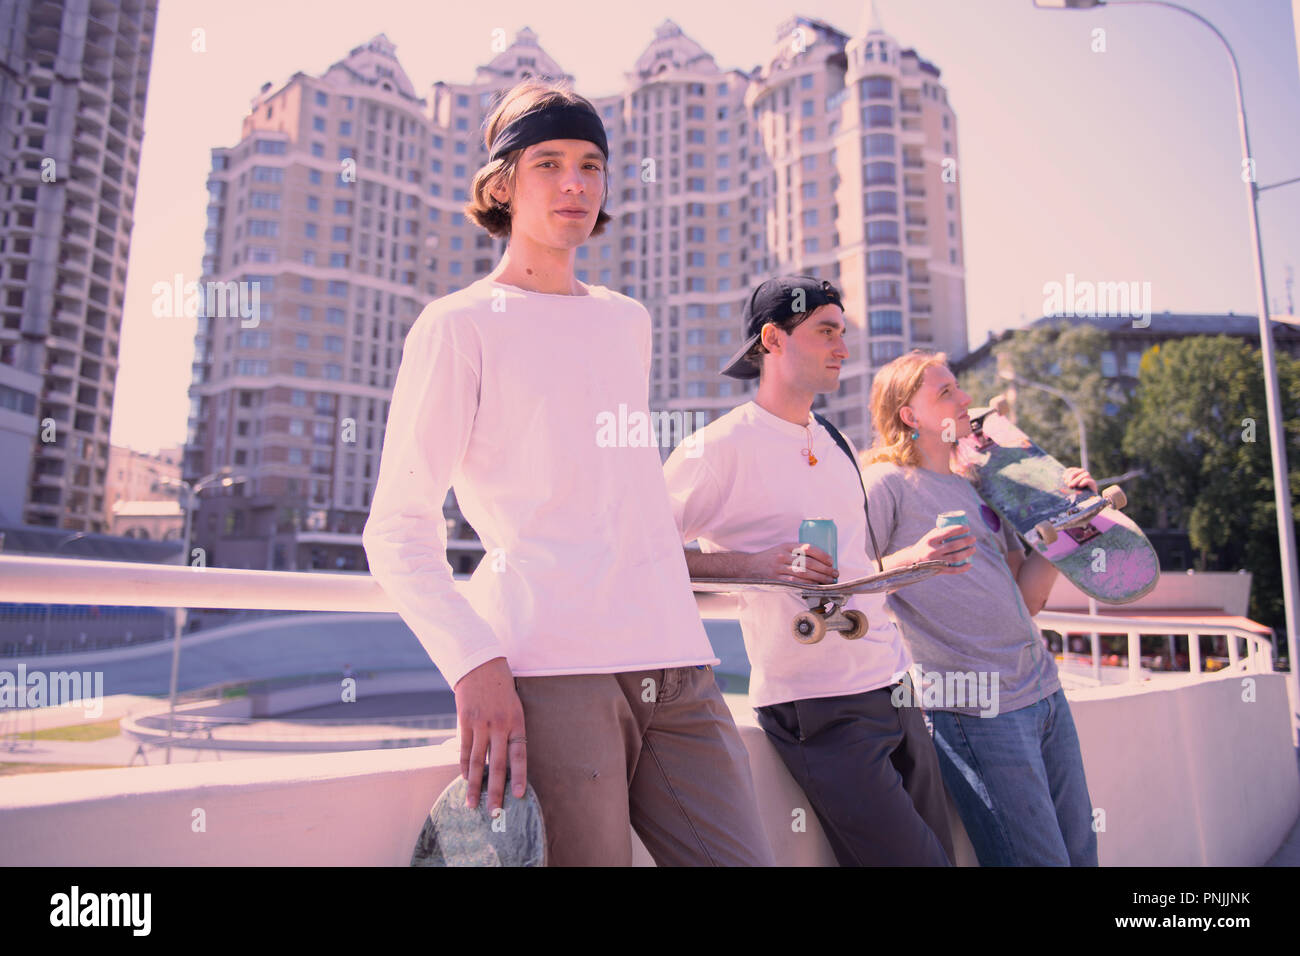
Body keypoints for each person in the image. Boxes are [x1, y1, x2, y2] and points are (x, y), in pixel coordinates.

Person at [362, 79, 773, 866]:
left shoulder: (627, 320)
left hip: (678, 663)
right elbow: (398, 529)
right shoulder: (458, 325)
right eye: (548, 163)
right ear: (503, 183)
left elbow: (620, 499)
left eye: (591, 164)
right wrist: (473, 662)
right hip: (554, 670)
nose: (576, 183)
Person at [662, 276, 954, 866]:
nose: (842, 347)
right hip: (817, 705)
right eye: (826, 331)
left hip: (894, 688)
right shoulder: (715, 449)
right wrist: (756, 566)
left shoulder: (838, 442)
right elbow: (645, 557)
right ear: (772, 339)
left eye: (842, 332)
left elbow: (854, 569)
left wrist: (918, 559)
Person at [859, 349, 1099, 866]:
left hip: (1044, 692)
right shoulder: (886, 485)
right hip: (976, 707)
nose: (965, 398)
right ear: (909, 415)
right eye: (945, 392)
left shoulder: (981, 487)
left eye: (958, 388)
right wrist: (913, 558)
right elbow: (849, 579)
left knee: (1081, 856)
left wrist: (1070, 525)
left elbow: (1027, 595)